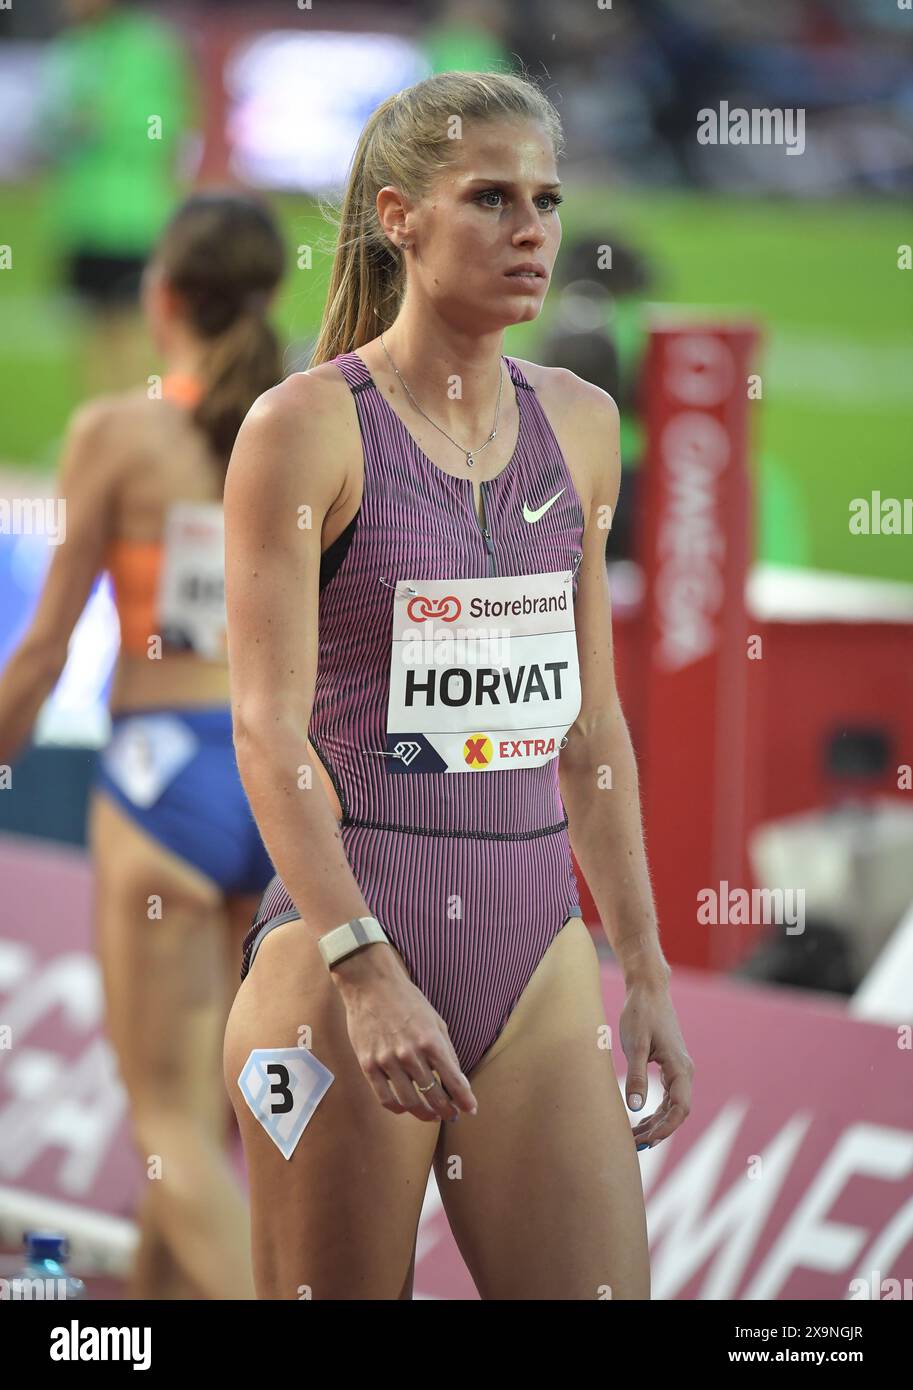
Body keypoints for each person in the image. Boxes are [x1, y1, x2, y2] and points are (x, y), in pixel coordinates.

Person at [223, 70, 692, 1301]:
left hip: (535, 950)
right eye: (489, 198)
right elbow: (267, 734)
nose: (531, 229)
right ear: (398, 217)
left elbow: (589, 730)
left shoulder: (582, 423)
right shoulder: (304, 427)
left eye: (544, 198)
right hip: (341, 958)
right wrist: (364, 968)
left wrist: (642, 965)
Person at [0, 190, 285, 1299]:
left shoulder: (119, 432)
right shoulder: (312, 421)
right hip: (282, 780)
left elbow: (42, 651)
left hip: (162, 774)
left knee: (166, 1118)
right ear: (268, 299)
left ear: (161, 298)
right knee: (210, 1124)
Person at [39, 0, 195, 395]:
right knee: (91, 333)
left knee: (137, 334)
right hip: (81, 217)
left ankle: (144, 428)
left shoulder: (148, 48)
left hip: (133, 219)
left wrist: (100, 122)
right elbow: (48, 124)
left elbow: (163, 128)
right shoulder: (71, 49)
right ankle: (105, 424)